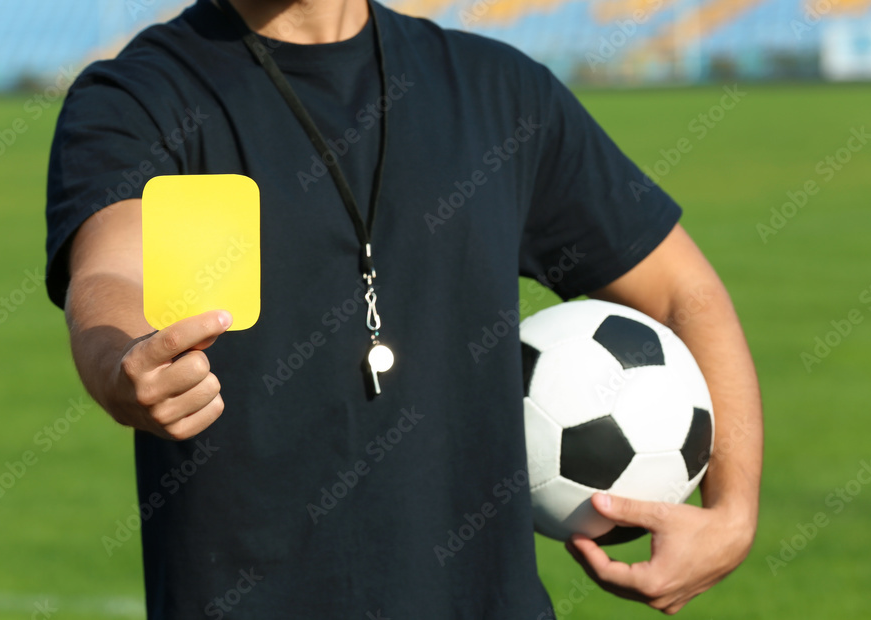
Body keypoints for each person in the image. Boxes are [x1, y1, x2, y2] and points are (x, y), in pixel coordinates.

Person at [44, 0, 762, 617]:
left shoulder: (501, 95)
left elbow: (682, 291)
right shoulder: (142, 97)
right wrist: (120, 361)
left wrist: (732, 512)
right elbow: (109, 274)